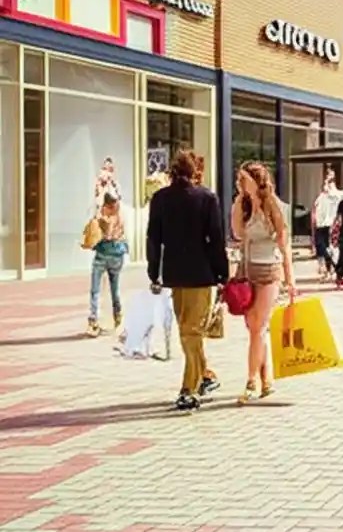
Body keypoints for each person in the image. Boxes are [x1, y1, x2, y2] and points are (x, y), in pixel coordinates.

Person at [146, 149, 228, 411]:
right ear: (194, 172)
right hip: (201, 273)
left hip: (174, 273)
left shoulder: (160, 199)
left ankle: (193, 383)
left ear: (172, 172)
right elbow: (216, 240)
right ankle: (196, 384)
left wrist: (153, 272)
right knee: (190, 332)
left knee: (188, 329)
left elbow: (153, 239)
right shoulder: (206, 198)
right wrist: (222, 274)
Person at [229, 162, 295, 404]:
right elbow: (237, 233)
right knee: (254, 326)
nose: (240, 183)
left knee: (258, 327)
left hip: (269, 271)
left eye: (243, 179)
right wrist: (238, 201)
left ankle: (251, 381)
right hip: (247, 271)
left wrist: (290, 279)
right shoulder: (243, 205)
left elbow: (284, 244)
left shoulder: (275, 206)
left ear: (256, 181)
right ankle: (267, 380)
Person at [86, 192, 128, 337]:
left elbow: (107, 234)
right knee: (115, 288)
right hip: (117, 255)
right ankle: (118, 316)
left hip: (103, 254)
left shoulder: (104, 215)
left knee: (95, 290)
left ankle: (93, 321)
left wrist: (101, 220)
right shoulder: (120, 215)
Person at [311, 167, 343, 281]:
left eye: (330, 178)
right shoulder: (322, 196)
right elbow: (315, 209)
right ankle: (328, 270)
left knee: (326, 247)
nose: (326, 182)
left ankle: (332, 269)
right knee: (322, 248)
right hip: (321, 224)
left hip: (329, 224)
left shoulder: (335, 194)